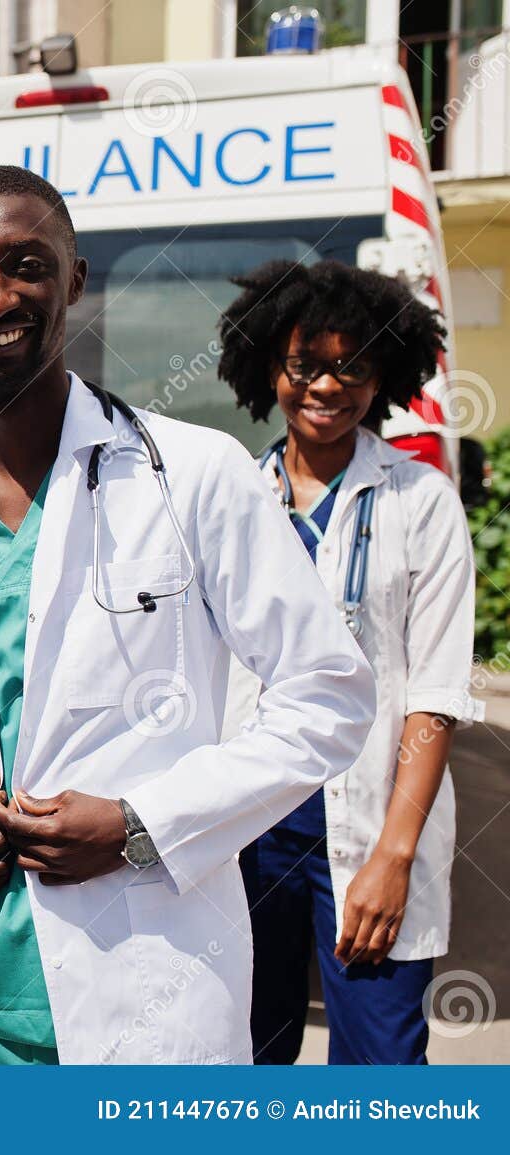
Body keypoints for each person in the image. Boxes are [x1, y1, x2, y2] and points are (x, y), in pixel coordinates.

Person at [0, 166, 377, 1065]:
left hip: (152, 991)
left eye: (26, 266)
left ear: (74, 280)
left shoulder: (195, 474)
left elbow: (330, 695)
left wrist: (141, 822)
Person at [217, 259, 481, 1065]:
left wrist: (393, 857)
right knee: (246, 1060)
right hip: (247, 834)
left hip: (370, 831)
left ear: (383, 373)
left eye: (353, 364)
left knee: (383, 1077)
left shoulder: (421, 500)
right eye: (305, 363)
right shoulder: (233, 496)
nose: (326, 385)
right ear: (271, 366)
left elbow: (434, 693)